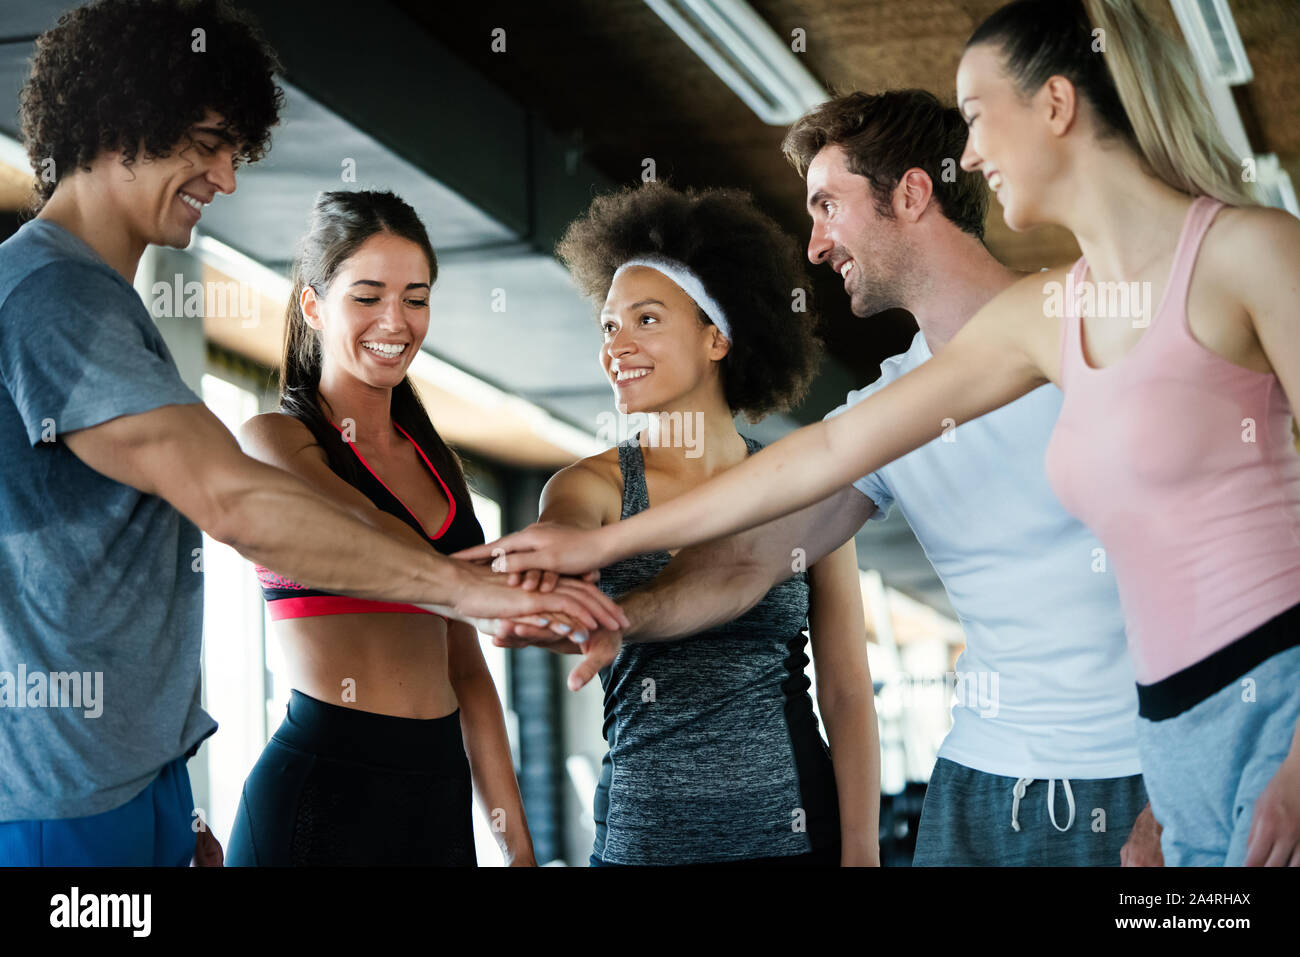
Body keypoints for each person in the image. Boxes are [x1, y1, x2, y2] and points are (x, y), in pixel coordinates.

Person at [461, 0, 1300, 867]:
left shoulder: (1183, 285)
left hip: (1160, 762)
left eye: (828, 206)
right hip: (985, 786)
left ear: (912, 193)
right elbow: (779, 513)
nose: (815, 246)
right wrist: (618, 603)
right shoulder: (1020, 334)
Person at [0, 0, 623, 868]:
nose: (225, 177)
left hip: (129, 792)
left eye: (233, 150)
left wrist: (168, 803)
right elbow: (234, 499)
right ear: (119, 122)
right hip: (59, 807)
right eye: (208, 142)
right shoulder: (50, 296)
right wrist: (468, 588)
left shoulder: (103, 308)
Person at [539, 182, 878, 866]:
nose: (617, 344)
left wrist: (862, 848)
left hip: (792, 836)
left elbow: (845, 687)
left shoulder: (800, 485)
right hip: (644, 842)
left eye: (646, 319)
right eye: (609, 324)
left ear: (717, 335)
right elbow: (561, 567)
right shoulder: (591, 488)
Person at [224, 190, 535, 866]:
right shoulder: (274, 438)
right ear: (313, 304)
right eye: (367, 296)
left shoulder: (436, 465)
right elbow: (358, 526)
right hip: (319, 796)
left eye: (415, 297)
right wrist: (485, 590)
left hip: (437, 799)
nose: (395, 320)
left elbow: (468, 671)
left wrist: (519, 850)